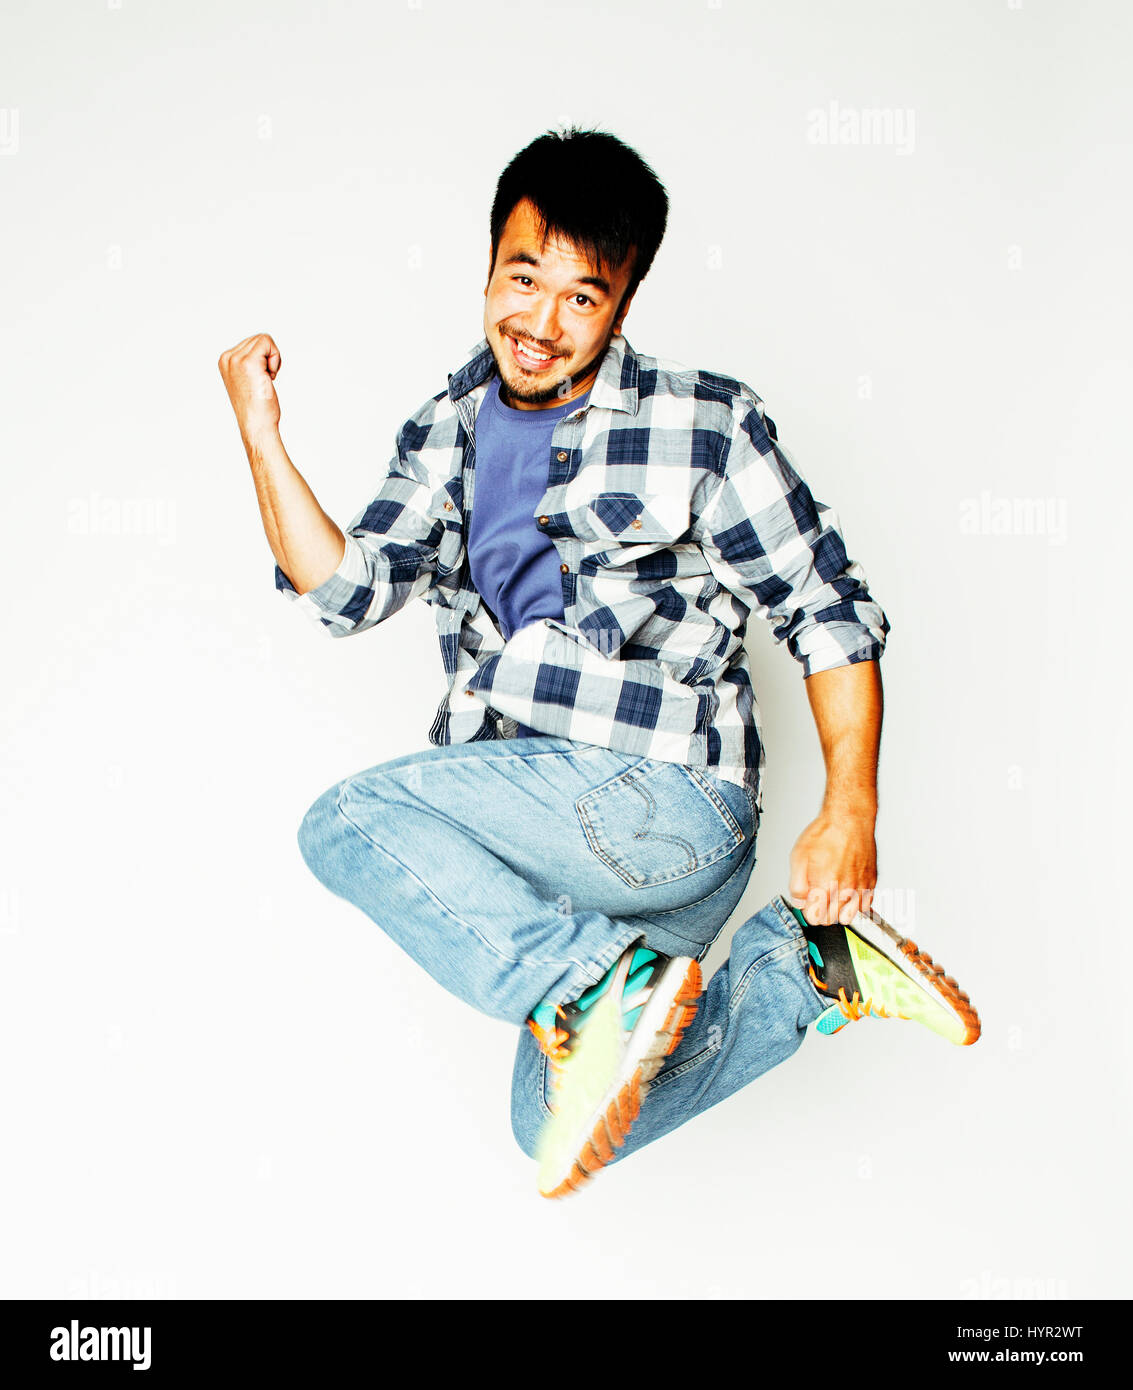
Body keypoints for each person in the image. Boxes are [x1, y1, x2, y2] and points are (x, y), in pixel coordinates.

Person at [218, 126, 980, 1200]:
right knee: (551, 1126)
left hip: (664, 795)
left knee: (346, 822)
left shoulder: (702, 423)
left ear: (622, 304)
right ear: (489, 266)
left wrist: (848, 803)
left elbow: (824, 610)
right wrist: (260, 432)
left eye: (581, 297)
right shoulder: (444, 430)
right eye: (522, 279)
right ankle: (802, 967)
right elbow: (345, 591)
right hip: (569, 844)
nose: (538, 322)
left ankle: (591, 976)